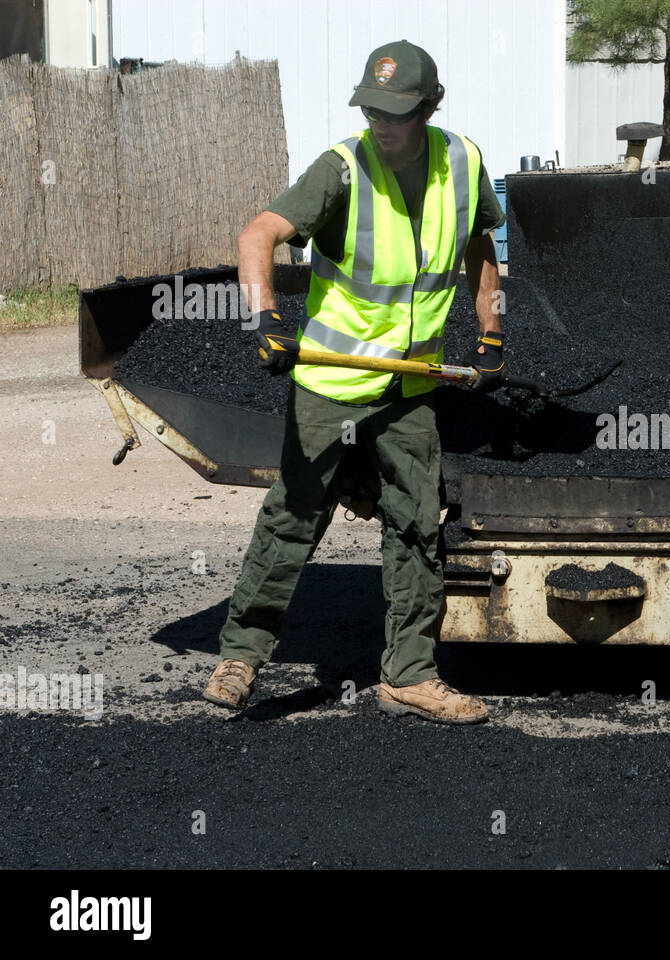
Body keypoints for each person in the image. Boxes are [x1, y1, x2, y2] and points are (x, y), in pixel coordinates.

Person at [202, 40, 506, 724]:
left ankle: (410, 675)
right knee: (294, 517)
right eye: (372, 109)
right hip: (331, 380)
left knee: (415, 523)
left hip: (411, 387)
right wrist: (265, 318)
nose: (383, 123)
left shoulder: (462, 162)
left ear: (431, 106)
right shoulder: (341, 170)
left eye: (397, 111)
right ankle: (241, 657)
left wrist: (491, 333)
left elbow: (481, 244)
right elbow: (259, 234)